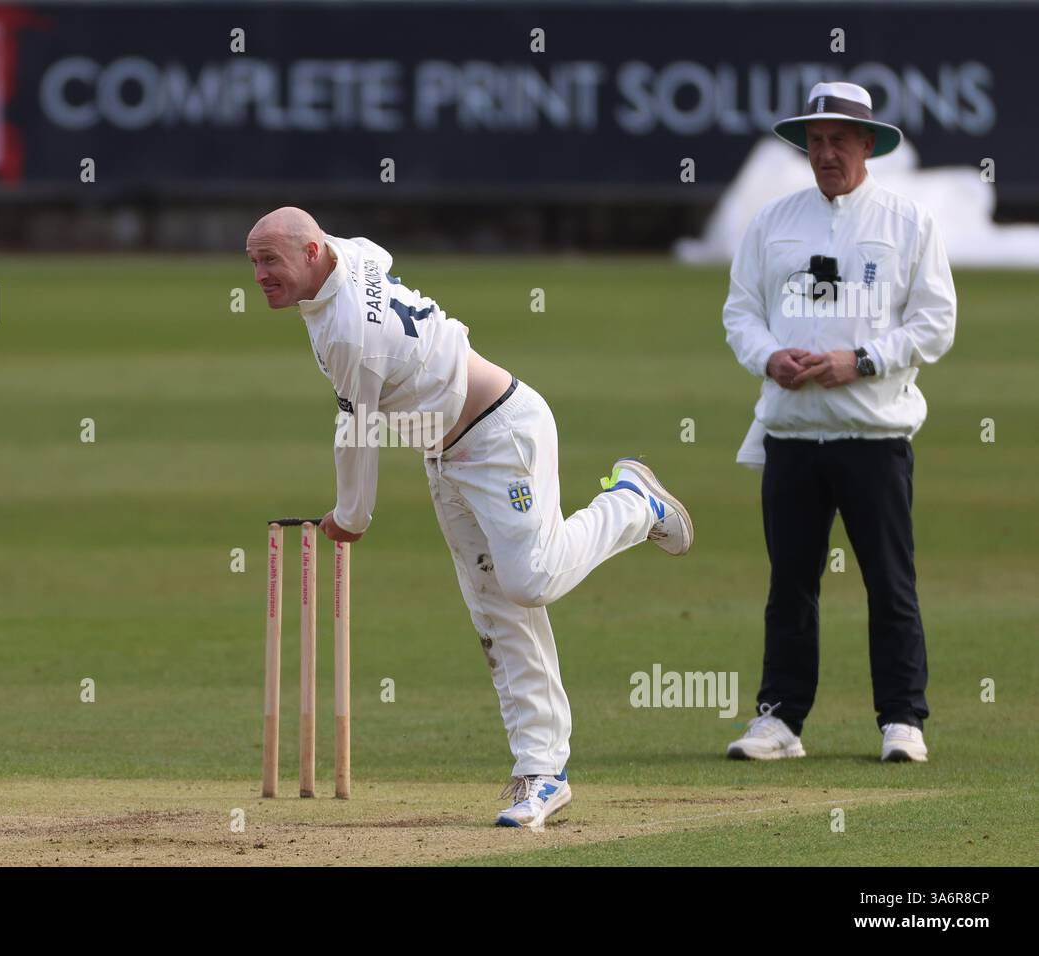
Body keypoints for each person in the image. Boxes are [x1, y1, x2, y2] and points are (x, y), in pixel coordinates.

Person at [246, 207, 693, 826]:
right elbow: (376, 252)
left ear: (314, 253)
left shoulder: (349, 334)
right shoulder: (351, 257)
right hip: (446, 452)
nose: (260, 275)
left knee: (529, 581)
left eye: (271, 260)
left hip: (500, 434)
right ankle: (542, 774)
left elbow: (355, 435)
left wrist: (352, 517)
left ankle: (633, 505)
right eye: (254, 262)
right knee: (499, 611)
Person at [722, 82, 956, 763]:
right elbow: (741, 312)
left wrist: (865, 359)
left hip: (873, 434)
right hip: (792, 431)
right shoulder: (773, 221)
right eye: (815, 142)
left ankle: (903, 720)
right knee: (789, 583)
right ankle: (779, 721)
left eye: (839, 141)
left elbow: (935, 321)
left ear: (867, 145)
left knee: (889, 582)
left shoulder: (908, 221)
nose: (826, 153)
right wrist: (770, 358)